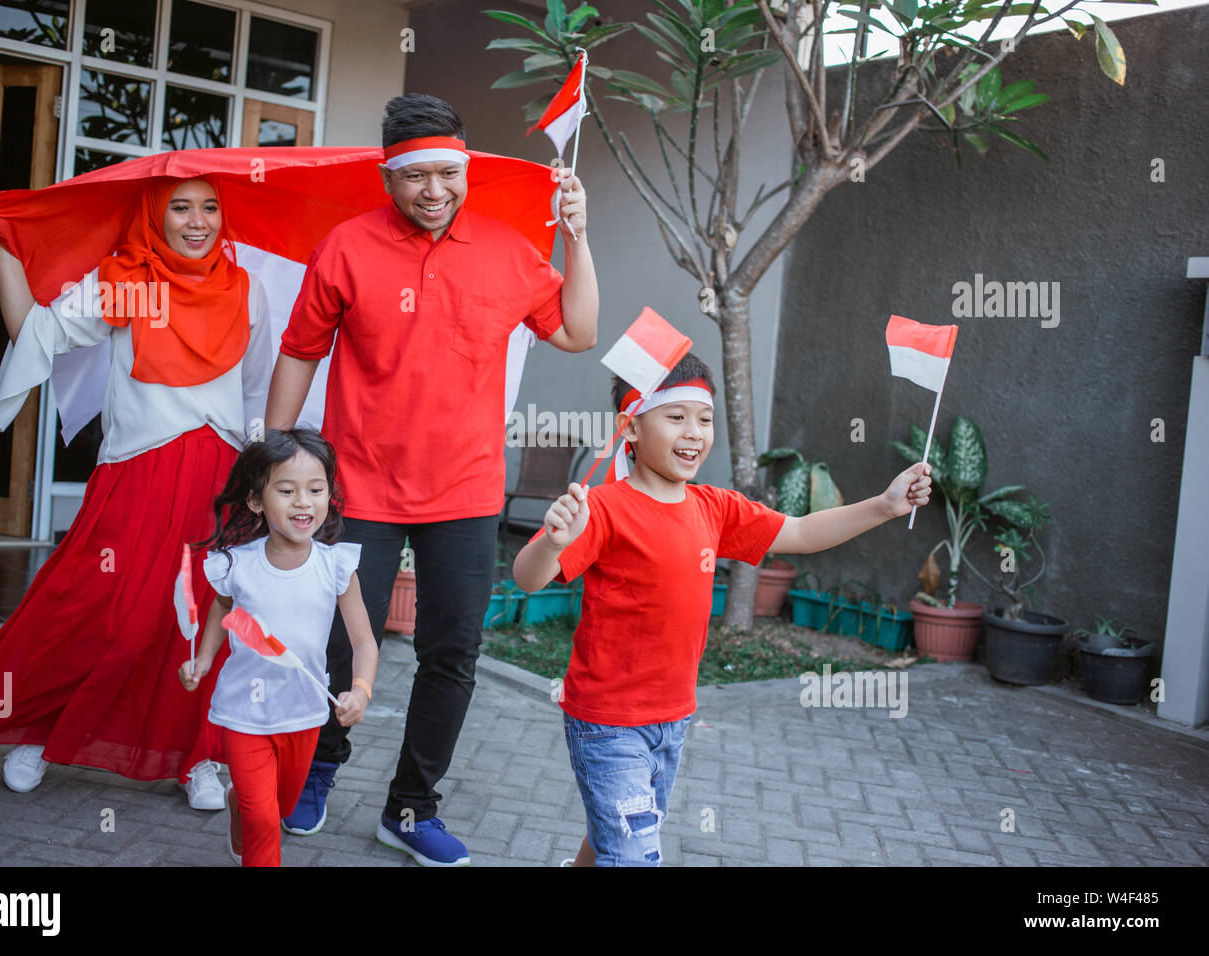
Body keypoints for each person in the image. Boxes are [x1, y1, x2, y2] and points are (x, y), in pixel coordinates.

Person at [263, 93, 598, 866]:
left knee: (453, 652)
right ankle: (318, 768)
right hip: (361, 487)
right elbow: (300, 350)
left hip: (466, 491)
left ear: (466, 171)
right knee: (346, 643)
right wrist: (277, 457)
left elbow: (579, 332)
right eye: (416, 177)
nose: (434, 190)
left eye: (449, 173)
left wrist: (577, 236)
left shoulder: (510, 251)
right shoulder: (346, 247)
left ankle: (411, 809)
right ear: (389, 178)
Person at [0, 178, 273, 811]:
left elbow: (257, 395)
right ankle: (34, 731)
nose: (197, 221)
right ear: (154, 213)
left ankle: (195, 756)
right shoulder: (124, 278)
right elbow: (31, 331)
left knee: (197, 624)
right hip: (134, 476)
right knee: (90, 610)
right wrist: (6, 249)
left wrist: (263, 485)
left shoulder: (248, 290)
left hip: (215, 483)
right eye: (180, 207)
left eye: (210, 206)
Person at [512, 353, 933, 866]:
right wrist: (554, 543)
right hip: (608, 722)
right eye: (675, 417)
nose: (694, 432)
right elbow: (527, 578)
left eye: (704, 419)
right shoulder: (601, 508)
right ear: (631, 428)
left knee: (621, 832)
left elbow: (798, 532)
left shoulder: (715, 507)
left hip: (673, 720)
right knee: (633, 851)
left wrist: (885, 505)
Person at [179, 428, 379, 867]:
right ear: (256, 500)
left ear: (329, 495)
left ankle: (239, 805)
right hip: (244, 712)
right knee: (265, 820)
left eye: (315, 489)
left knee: (283, 807)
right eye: (286, 490)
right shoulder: (238, 563)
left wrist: (360, 690)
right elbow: (221, 609)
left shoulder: (336, 567)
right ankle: (249, 819)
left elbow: (364, 640)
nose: (303, 502)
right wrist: (204, 659)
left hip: (305, 712)